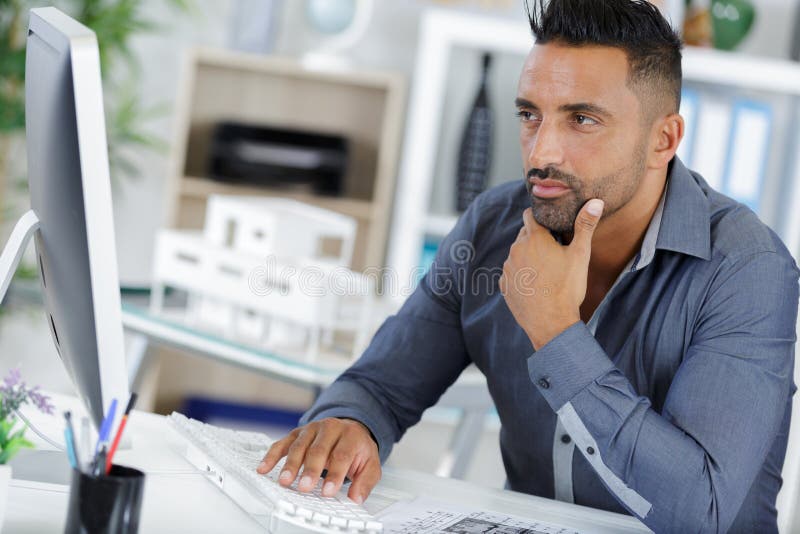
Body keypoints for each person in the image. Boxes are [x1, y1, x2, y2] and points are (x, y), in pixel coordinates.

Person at [257, 1, 799, 532]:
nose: (543, 152)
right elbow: (381, 386)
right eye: (529, 115)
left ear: (664, 140)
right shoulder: (491, 227)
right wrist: (351, 424)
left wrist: (556, 331)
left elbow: (699, 512)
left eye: (581, 119)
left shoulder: (747, 270)